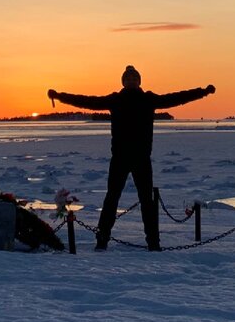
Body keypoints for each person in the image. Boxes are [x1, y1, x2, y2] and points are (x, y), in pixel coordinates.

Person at [47, 66, 215, 251]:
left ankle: (153, 242)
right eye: (128, 78)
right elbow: (87, 101)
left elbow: (176, 98)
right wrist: (60, 96)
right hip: (119, 158)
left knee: (147, 202)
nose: (131, 81)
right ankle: (102, 239)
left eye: (134, 78)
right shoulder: (116, 100)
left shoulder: (148, 99)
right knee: (111, 199)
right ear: (123, 82)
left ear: (139, 81)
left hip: (142, 158)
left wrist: (202, 92)